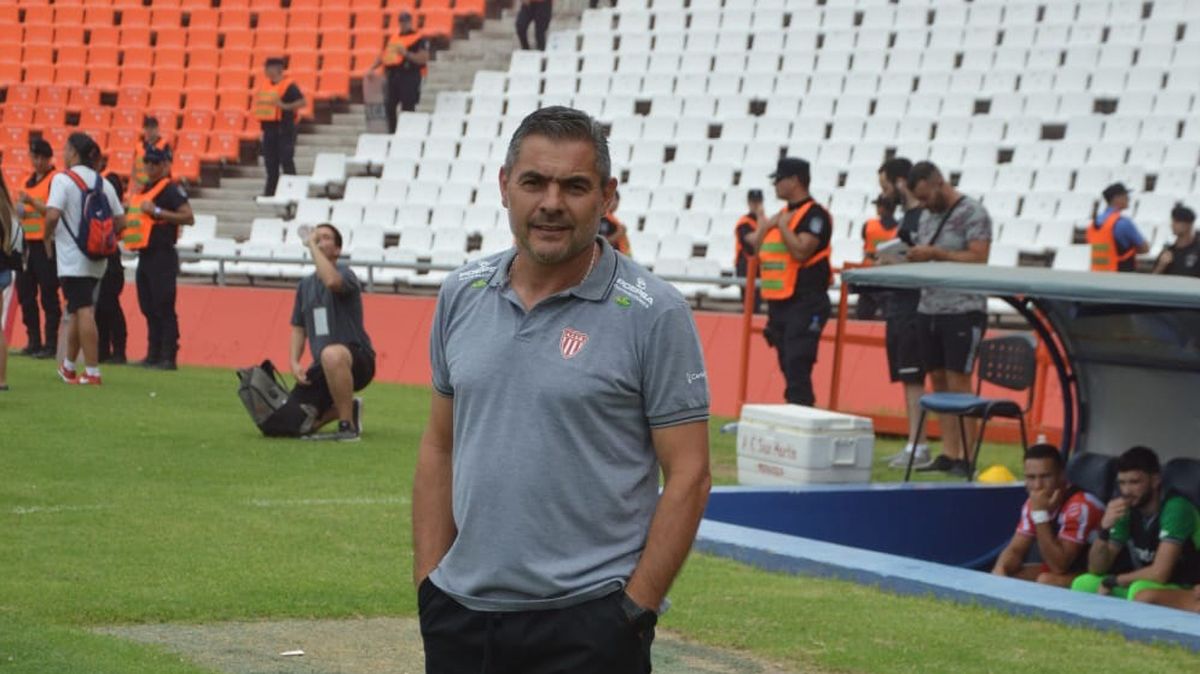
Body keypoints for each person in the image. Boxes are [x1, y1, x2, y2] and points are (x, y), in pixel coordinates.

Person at [413, 106, 711, 672]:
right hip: (459, 616)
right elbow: (439, 446)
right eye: (534, 182)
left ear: (607, 196)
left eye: (574, 186)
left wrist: (633, 611)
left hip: (590, 624)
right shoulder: (461, 293)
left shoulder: (656, 313)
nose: (551, 203)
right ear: (505, 187)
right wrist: (430, 582)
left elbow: (691, 476)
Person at [906, 161, 992, 478]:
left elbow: (979, 257)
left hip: (963, 309)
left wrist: (936, 254)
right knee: (938, 380)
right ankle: (949, 451)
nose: (925, 205)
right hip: (929, 308)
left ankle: (968, 457)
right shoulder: (928, 217)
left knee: (959, 381)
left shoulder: (973, 213)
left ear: (939, 182)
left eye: (927, 197)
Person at [750, 157, 833, 407]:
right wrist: (767, 226)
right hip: (780, 303)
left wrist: (783, 227)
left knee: (799, 360)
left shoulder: (815, 215)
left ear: (795, 180)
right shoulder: (782, 215)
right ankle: (795, 409)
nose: (775, 185)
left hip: (806, 300)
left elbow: (801, 251)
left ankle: (801, 410)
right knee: (787, 362)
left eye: (779, 179)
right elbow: (755, 247)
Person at [44, 132, 126, 386]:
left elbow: (53, 214)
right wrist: (104, 238)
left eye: (66, 149)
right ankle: (69, 367)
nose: (63, 154)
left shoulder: (63, 180)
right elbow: (120, 220)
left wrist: (46, 237)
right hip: (97, 257)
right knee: (77, 308)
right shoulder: (103, 182)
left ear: (74, 152)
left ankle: (92, 371)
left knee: (83, 309)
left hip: (72, 257)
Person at [1071, 446, 1200, 605]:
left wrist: (1116, 580)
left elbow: (1160, 573)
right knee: (1084, 583)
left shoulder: (1176, 508)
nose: (1126, 490)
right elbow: (1096, 568)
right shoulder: (1126, 508)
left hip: (1185, 587)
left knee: (1138, 590)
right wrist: (1104, 529)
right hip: (1147, 582)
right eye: (1122, 483)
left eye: (1134, 482)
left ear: (1155, 481)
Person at [289, 223, 374, 441]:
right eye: (317, 236)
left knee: (332, 353)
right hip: (323, 367)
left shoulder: (345, 274)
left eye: (325, 237)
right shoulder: (305, 285)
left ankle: (347, 427)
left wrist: (311, 245)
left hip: (356, 359)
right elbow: (299, 327)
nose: (319, 239)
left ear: (337, 250)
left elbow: (331, 281)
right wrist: (295, 362)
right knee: (290, 423)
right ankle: (343, 408)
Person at [876, 158, 930, 468]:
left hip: (913, 307)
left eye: (886, 186)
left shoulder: (919, 217)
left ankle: (918, 446)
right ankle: (913, 443)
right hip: (900, 306)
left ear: (899, 182)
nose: (884, 194)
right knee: (907, 379)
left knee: (914, 378)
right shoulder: (908, 216)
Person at [992, 444, 1105, 587]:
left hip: (1100, 575)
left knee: (1046, 581)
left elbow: (1059, 565)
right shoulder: (1033, 503)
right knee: (1011, 574)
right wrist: (1001, 569)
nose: (1038, 485)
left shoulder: (1080, 505)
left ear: (1062, 476)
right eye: (1031, 478)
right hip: (1069, 570)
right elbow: (1016, 549)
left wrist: (1040, 515)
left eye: (1045, 476)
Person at [123, 146, 192, 369]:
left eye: (155, 163)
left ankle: (168, 356)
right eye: (148, 163)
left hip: (162, 255)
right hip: (145, 254)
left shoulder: (170, 189)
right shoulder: (144, 189)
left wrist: (158, 212)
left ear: (164, 165)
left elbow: (188, 217)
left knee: (164, 305)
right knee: (148, 306)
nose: (150, 167)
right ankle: (152, 353)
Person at [14, 139, 61, 359]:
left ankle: (50, 343)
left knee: (49, 294)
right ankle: (33, 340)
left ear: (49, 158)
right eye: (35, 157)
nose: (38, 162)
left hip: (45, 243)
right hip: (26, 245)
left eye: (42, 157)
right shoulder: (27, 180)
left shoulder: (55, 180)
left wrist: (31, 202)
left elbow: (52, 211)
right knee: (26, 294)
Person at [369, 11, 430, 134]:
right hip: (393, 76)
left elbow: (423, 58)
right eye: (402, 21)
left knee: (408, 107)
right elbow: (384, 55)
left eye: (406, 21)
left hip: (410, 76)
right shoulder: (394, 37)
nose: (404, 24)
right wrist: (372, 68)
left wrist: (406, 54)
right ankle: (393, 132)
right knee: (389, 105)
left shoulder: (419, 39)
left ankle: (408, 133)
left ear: (410, 22)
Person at [254, 57, 305, 197]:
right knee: (270, 163)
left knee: (286, 160)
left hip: (284, 128)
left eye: (268, 67)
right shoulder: (265, 85)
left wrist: (284, 106)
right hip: (268, 129)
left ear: (277, 69)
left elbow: (302, 102)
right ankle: (270, 192)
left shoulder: (289, 85)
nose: (265, 70)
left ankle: (293, 190)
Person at [97, 158, 128, 364]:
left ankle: (117, 351)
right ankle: (104, 350)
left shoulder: (112, 213)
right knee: (102, 307)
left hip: (110, 259)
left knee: (109, 306)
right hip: (108, 257)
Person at [1086, 182, 1148, 273]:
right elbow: (1144, 248)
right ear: (1116, 198)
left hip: (1097, 276)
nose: (1128, 198)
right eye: (1125, 195)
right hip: (1119, 278)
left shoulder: (1093, 224)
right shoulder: (1123, 223)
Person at [855, 194, 898, 319]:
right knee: (888, 320)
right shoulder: (899, 228)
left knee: (862, 319)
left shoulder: (868, 225)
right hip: (889, 278)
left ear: (881, 208)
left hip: (869, 276)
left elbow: (865, 239)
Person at [733, 188, 764, 310]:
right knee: (749, 304)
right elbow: (754, 241)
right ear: (748, 203)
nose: (755, 205)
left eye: (758, 202)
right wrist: (762, 220)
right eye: (753, 202)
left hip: (761, 266)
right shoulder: (744, 223)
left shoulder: (764, 221)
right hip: (745, 266)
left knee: (758, 304)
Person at [1151, 203, 1200, 277]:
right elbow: (1152, 280)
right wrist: (1161, 266)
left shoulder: (1197, 250)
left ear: (1188, 224)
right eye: (1173, 221)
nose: (1172, 225)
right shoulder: (1168, 251)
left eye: (1177, 221)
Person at [129, 116, 170, 196]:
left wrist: (154, 182)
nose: (149, 131)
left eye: (152, 128)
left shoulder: (164, 145)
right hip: (140, 185)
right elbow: (134, 168)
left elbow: (167, 168)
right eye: (147, 128)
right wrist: (138, 181)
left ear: (157, 129)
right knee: (135, 207)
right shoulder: (139, 146)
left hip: (158, 185)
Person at [598, 189, 630, 254]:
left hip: (620, 257)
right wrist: (619, 233)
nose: (615, 203)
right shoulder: (602, 218)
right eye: (613, 200)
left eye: (617, 200)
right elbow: (601, 243)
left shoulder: (612, 219)